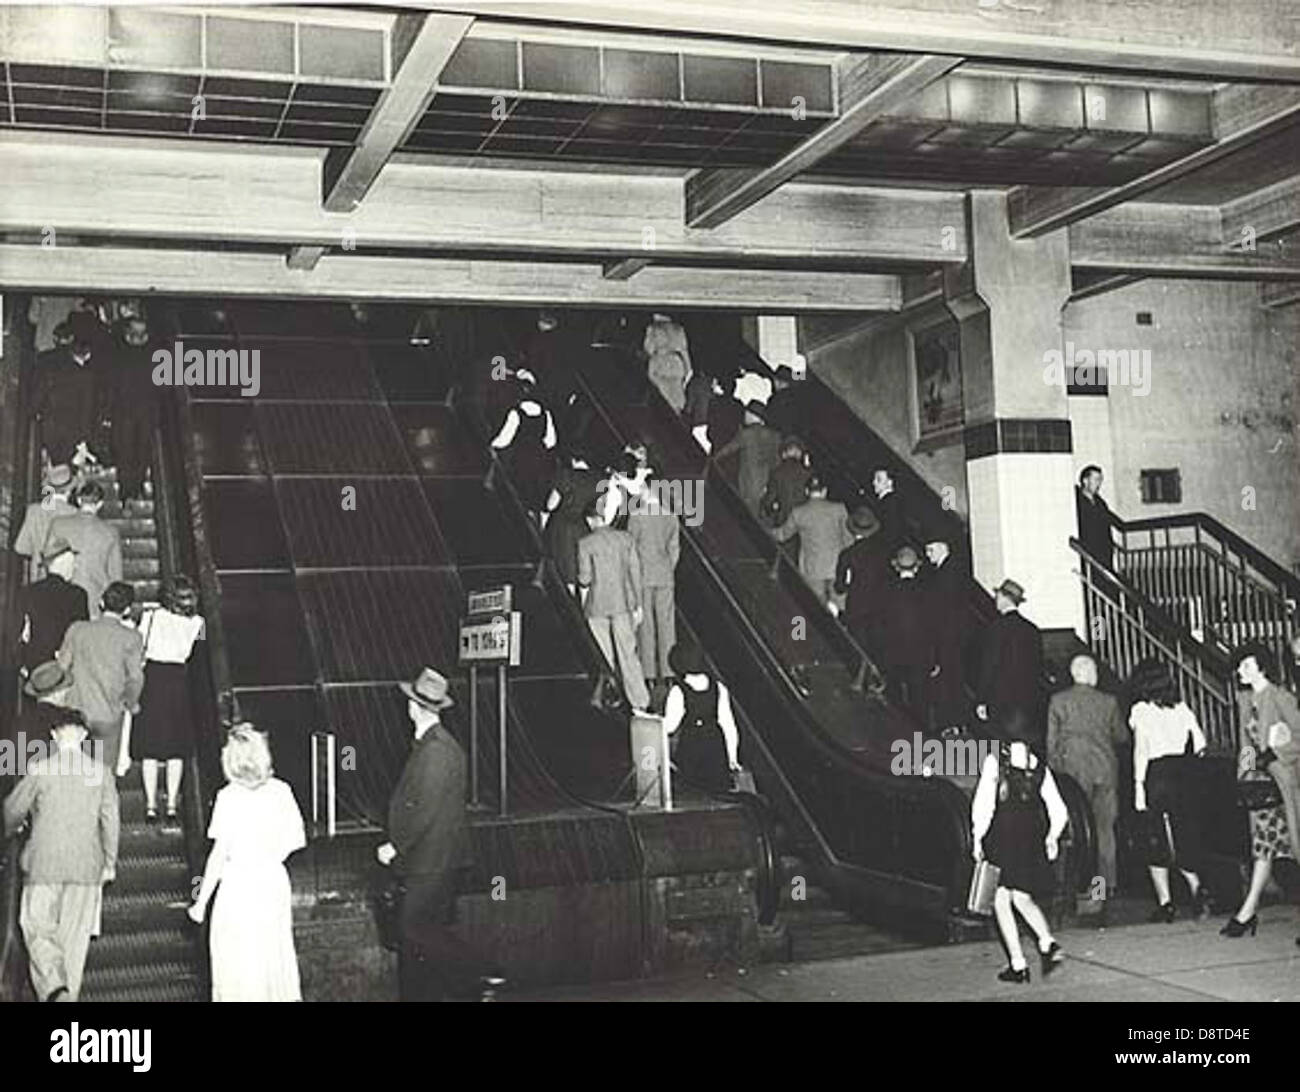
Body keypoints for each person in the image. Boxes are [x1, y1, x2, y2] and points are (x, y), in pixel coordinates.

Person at [376, 669, 501, 1001]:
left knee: (414, 930)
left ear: (412, 707)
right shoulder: (434, 745)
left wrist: (394, 846)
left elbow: (423, 810)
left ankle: (482, 970)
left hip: (431, 859)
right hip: (436, 857)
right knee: (424, 930)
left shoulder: (436, 751)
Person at [3, 706, 118, 1002]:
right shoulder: (100, 773)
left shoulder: (41, 769)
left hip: (44, 864)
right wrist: (109, 862)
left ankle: (54, 988)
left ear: (54, 736)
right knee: (74, 943)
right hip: (86, 868)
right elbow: (110, 820)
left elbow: (11, 812)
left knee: (36, 926)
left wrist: (11, 831)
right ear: (82, 736)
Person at [187, 724, 306, 1001]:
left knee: (238, 963)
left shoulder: (228, 798)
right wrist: (268, 856)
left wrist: (200, 903)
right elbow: (296, 839)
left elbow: (218, 856)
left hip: (238, 887)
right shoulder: (281, 791)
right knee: (272, 957)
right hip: (272, 883)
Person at [970, 708, 1067, 984]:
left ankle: (1018, 964)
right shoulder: (1039, 767)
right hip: (1030, 838)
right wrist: (1052, 837)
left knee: (1001, 899)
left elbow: (984, 804)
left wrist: (977, 837)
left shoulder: (995, 763)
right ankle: (1048, 943)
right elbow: (1058, 809)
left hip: (1002, 836)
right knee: (1022, 897)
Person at [1221, 642, 1300, 938]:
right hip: (1262, 785)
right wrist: (1245, 773)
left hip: (1286, 783)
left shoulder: (1280, 697)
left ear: (1262, 668)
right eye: (1240, 666)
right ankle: (1246, 912)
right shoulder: (1245, 699)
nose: (1240, 671)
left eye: (1247, 665)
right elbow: (1247, 746)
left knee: (1292, 846)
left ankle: (1247, 914)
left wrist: (1275, 754)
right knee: (1263, 848)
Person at [1127, 658, 1208, 923]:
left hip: (1157, 774)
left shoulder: (1141, 709)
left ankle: (1166, 903)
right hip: (1184, 774)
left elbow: (1141, 749)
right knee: (1184, 833)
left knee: (1155, 839)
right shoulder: (1182, 708)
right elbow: (1201, 742)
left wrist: (1138, 787)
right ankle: (1198, 889)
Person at [1046, 654, 1126, 910]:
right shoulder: (1109, 701)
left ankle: (1073, 890)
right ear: (1091, 674)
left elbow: (1051, 742)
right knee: (1104, 831)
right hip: (1105, 770)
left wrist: (1054, 770)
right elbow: (1121, 736)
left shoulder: (1058, 701)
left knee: (1077, 833)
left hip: (1072, 773)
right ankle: (1104, 889)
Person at [133, 576, 205, 827]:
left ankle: (151, 805)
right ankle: (172, 805)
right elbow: (199, 651)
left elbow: (140, 644)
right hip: (178, 681)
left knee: (149, 748)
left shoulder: (151, 617)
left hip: (153, 679)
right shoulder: (199, 623)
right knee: (176, 748)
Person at [56, 580, 144, 771]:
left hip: (76, 712)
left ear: (101, 603)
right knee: (103, 776)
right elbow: (135, 678)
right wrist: (130, 703)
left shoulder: (77, 629)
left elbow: (61, 667)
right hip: (109, 715)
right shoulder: (132, 638)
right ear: (127, 609)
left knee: (73, 771)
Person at [578, 499, 651, 712]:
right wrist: (638, 604)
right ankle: (640, 702)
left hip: (596, 606)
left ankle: (612, 696)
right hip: (623, 604)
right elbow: (636, 573)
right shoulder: (625, 539)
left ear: (592, 520)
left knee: (604, 655)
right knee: (628, 653)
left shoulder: (585, 544)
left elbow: (584, 578)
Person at [664, 642, 741, 793]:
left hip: (692, 746)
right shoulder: (718, 687)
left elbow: (670, 726)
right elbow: (728, 724)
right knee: (717, 792)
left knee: (694, 794)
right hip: (715, 745)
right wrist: (732, 757)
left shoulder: (678, 690)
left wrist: (650, 720)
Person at [627, 475, 679, 697]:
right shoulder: (670, 517)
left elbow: (630, 549)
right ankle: (669, 673)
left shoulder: (637, 516)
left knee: (646, 625)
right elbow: (674, 549)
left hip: (643, 576)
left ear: (649, 491)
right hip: (665, 575)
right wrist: (668, 568)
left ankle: (648, 674)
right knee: (667, 623)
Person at [878, 545, 939, 724]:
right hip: (920, 656)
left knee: (896, 704)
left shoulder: (886, 593)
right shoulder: (927, 593)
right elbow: (932, 629)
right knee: (921, 702)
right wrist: (934, 658)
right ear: (917, 567)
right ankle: (922, 739)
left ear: (896, 566)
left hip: (893, 655)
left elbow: (881, 627)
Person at [976, 579, 1044, 739]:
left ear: (1005, 598)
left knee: (1002, 747)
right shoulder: (1032, 630)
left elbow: (989, 667)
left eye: (998, 596)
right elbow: (1037, 668)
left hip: (1001, 703)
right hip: (1028, 702)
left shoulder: (996, 628)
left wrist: (981, 699)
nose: (995, 600)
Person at [48, 480, 123, 620]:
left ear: (78, 500)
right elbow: (116, 576)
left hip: (63, 601)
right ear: (100, 504)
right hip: (96, 603)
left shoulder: (58, 524)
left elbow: (48, 563)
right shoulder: (111, 532)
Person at [489, 369, 557, 520]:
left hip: (520, 458)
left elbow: (505, 438)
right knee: (536, 495)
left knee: (520, 493)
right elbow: (550, 441)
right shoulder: (545, 413)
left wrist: (492, 445)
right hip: (539, 460)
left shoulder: (516, 413)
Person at [773, 476, 850, 607]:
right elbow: (848, 540)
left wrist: (765, 528)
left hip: (812, 570)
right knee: (841, 606)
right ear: (825, 491)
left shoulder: (799, 513)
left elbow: (781, 535)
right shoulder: (840, 509)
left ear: (807, 492)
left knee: (817, 609)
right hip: (837, 568)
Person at [16, 541, 88, 677]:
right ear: (63, 563)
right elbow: (80, 636)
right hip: (66, 666)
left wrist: (23, 662)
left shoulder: (29, 592)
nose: (75, 567)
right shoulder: (78, 595)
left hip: (36, 665)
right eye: (72, 563)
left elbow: (22, 632)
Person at [30, 333, 102, 468]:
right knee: (70, 468)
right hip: (73, 430)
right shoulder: (86, 376)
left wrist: (35, 412)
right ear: (86, 355)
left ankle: (56, 486)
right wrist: (86, 438)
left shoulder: (50, 367)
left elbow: (39, 394)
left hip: (51, 427)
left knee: (57, 466)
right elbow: (88, 409)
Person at [107, 316, 159, 504]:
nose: (138, 337)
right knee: (135, 452)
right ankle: (131, 491)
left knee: (130, 452)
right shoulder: (154, 354)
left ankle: (129, 492)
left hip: (128, 412)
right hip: (138, 412)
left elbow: (110, 385)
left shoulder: (118, 354)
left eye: (141, 333)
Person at [542, 447, 603, 594]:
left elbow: (551, 505)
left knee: (565, 572)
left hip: (562, 527)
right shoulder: (599, 479)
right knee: (582, 572)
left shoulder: (566, 475)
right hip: (584, 527)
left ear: (573, 459)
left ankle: (568, 608)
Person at [924, 539, 968, 732]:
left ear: (943, 548)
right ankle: (955, 723)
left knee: (949, 682)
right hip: (953, 635)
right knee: (953, 679)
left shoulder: (945, 574)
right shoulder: (951, 570)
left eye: (930, 550)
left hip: (946, 636)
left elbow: (941, 611)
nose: (927, 554)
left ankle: (951, 724)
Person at [12, 463, 77, 582]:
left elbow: (21, 547)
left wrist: (38, 552)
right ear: (69, 490)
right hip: (68, 578)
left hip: (38, 576)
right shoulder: (75, 513)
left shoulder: (34, 511)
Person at [834, 506, 887, 646]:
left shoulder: (848, 555)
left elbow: (840, 587)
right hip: (879, 607)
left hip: (856, 607)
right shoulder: (883, 553)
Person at [759, 439, 812, 530]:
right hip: (805, 521)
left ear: (784, 454)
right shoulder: (808, 473)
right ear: (799, 454)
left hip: (784, 521)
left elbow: (769, 499)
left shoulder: (776, 473)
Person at [1075, 465, 1114, 570]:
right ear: (1085, 481)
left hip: (1104, 556)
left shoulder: (1101, 504)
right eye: (1096, 479)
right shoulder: (1077, 503)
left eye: (1100, 480)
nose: (1099, 484)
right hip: (1088, 555)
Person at [870, 468, 905, 550]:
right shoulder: (893, 501)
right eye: (874, 479)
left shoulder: (889, 504)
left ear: (889, 483)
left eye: (879, 480)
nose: (874, 482)